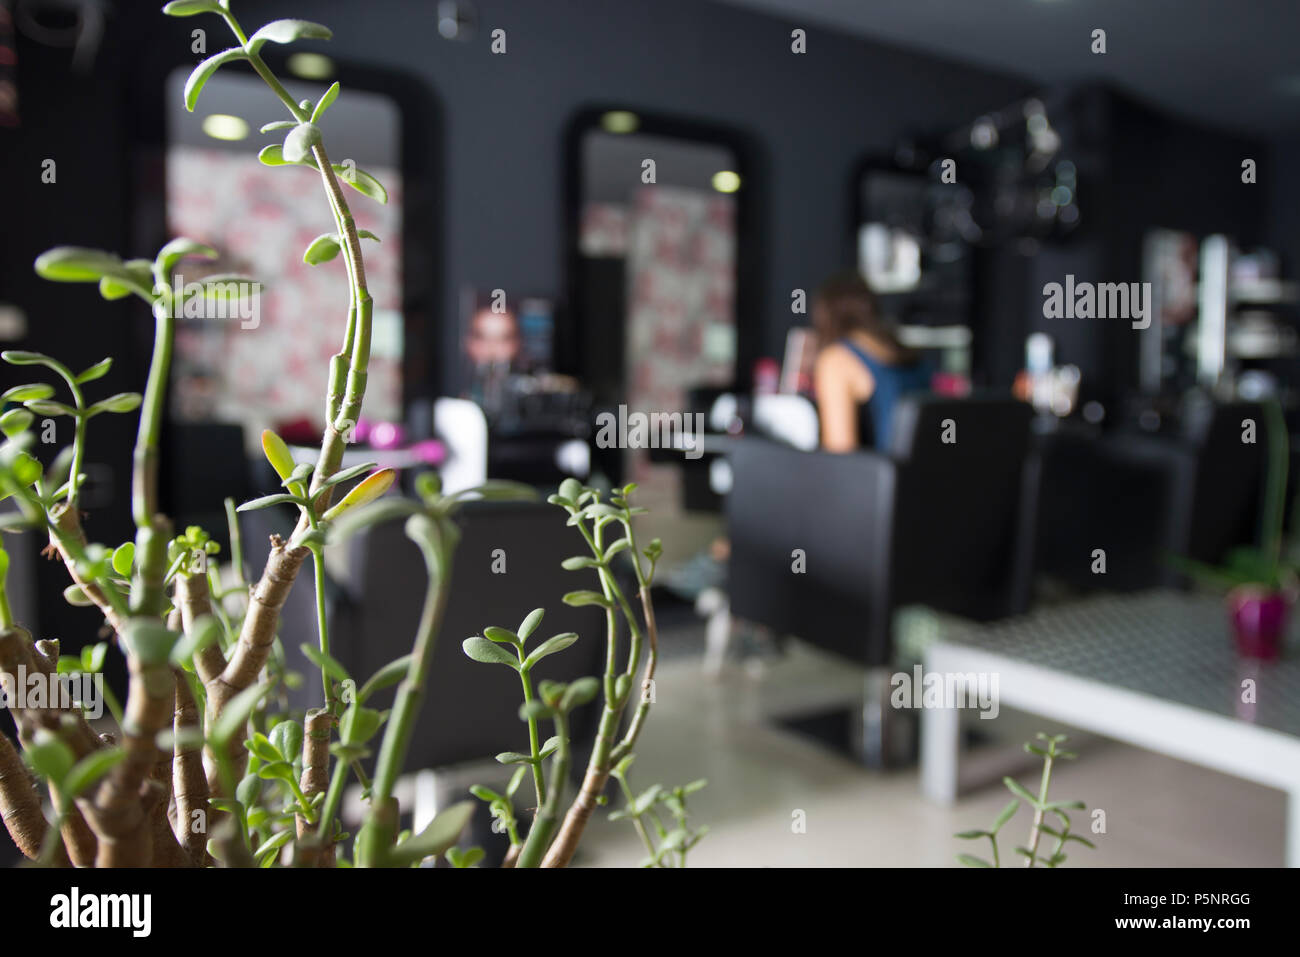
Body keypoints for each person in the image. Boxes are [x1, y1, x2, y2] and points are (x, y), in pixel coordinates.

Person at [811, 271, 932, 452]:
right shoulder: (907, 354)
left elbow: (840, 454)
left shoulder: (836, 359)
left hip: (879, 476)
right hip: (921, 475)